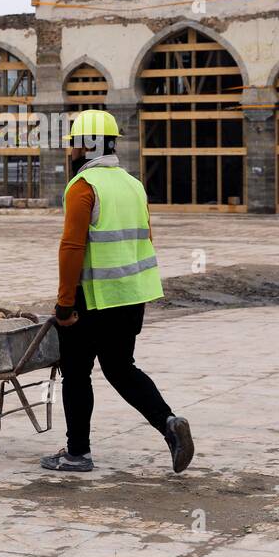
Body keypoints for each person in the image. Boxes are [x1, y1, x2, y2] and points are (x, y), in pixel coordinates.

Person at [40, 109, 194, 474]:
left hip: (91, 300)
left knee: (76, 373)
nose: (71, 150)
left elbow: (72, 248)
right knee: (121, 368)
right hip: (131, 297)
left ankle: (77, 453)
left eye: (75, 143)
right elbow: (147, 239)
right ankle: (169, 424)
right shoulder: (133, 184)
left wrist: (65, 304)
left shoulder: (83, 187)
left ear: (86, 145)